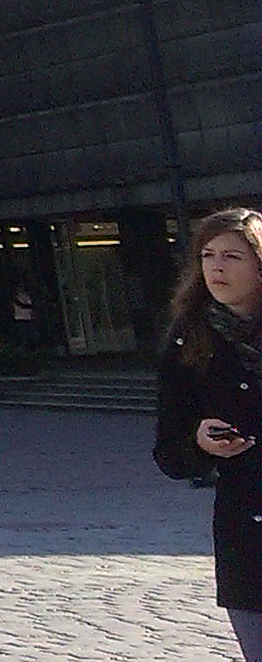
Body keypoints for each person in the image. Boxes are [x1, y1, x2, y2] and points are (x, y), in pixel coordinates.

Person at [153, 206, 262, 661]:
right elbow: (169, 454)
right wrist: (200, 445)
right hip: (247, 534)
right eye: (208, 255)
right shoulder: (187, 341)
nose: (217, 267)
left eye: (233, 256)